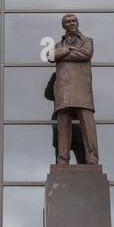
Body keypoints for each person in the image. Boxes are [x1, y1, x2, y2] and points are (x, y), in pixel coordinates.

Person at [43, 13, 98, 165]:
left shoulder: (87, 41)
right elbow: (50, 56)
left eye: (74, 21)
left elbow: (86, 53)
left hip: (82, 91)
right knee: (63, 126)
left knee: (88, 126)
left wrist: (64, 52)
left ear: (77, 23)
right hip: (64, 92)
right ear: (64, 26)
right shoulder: (58, 45)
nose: (72, 23)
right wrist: (68, 50)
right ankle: (62, 159)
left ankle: (92, 157)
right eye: (68, 22)